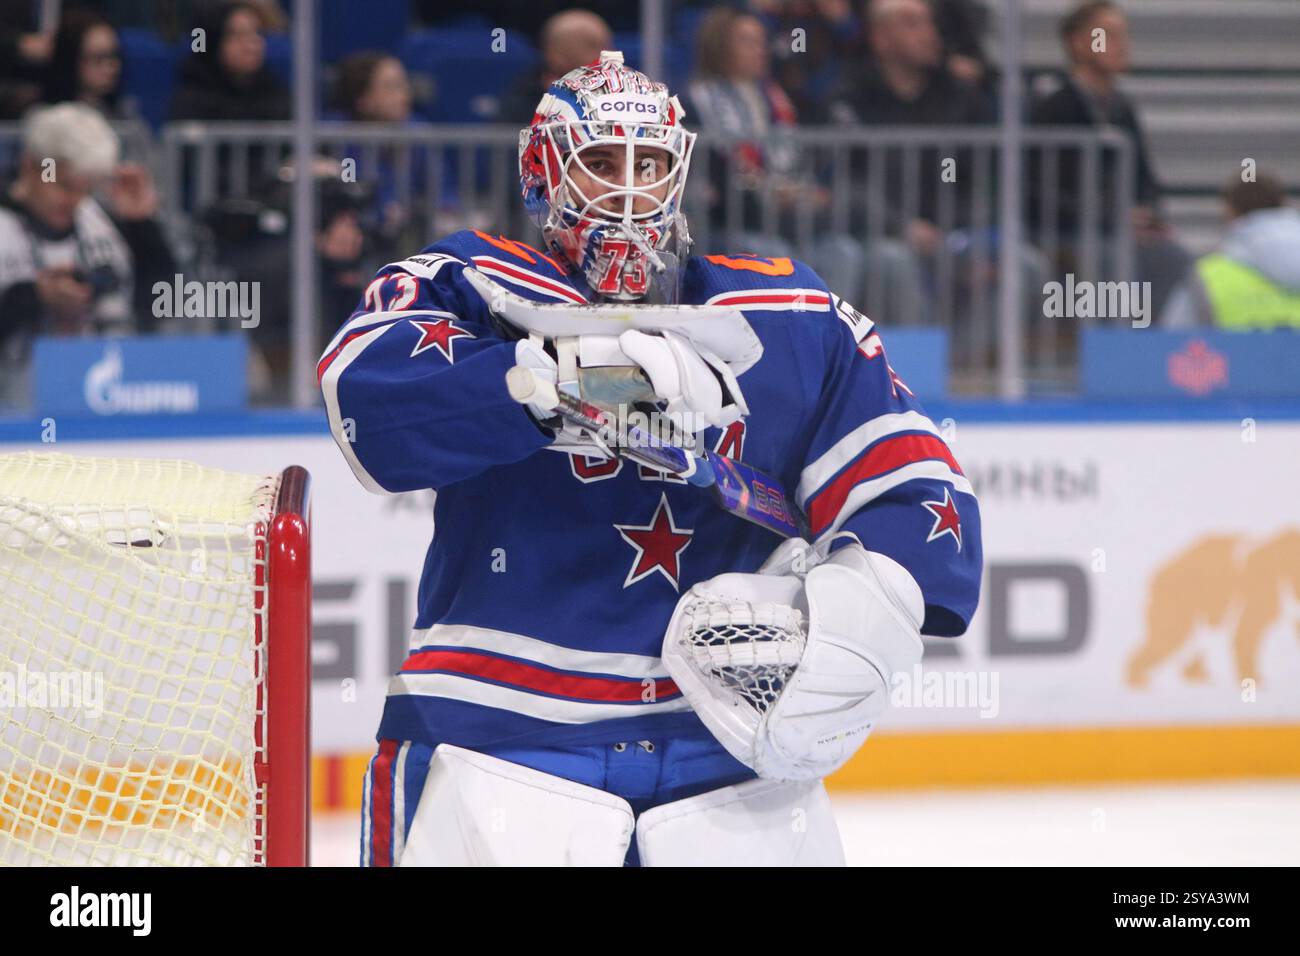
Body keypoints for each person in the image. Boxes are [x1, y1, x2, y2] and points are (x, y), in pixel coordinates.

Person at [321, 50, 982, 866]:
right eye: (600, 162)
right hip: (502, 733)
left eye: (651, 163)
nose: (629, 190)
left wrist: (865, 606)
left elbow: (920, 491)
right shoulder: (476, 284)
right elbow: (368, 403)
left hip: (725, 748)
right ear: (543, 174)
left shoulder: (793, 316)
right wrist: (555, 383)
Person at [0, 103, 176, 408]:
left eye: (86, 189)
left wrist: (141, 227)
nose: (75, 201)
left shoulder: (100, 220)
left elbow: (163, 302)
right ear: (31, 166)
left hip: (107, 400)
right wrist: (33, 297)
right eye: (64, 185)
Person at [1030, 0, 1190, 319]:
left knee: (1174, 257)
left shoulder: (1122, 108)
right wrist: (1110, 216)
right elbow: (1040, 190)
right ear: (1077, 42)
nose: (1122, 45)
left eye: (1124, 36)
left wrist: (1149, 215)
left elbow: (1145, 178)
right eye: (1110, 35)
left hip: (1118, 230)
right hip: (1070, 231)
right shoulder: (1053, 108)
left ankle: (1152, 349)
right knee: (1111, 259)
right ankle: (1107, 353)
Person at [1162, 175, 1300, 330]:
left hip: (1234, 354)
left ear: (1230, 210)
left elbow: (1174, 338)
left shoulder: (1207, 274)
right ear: (1283, 203)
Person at [499, 8, 612, 125]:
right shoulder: (523, 98)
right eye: (592, 45)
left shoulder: (622, 89)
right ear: (555, 54)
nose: (606, 52)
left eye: (607, 45)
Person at [41, 10, 135, 122]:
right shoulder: (50, 119)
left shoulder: (127, 118)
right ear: (72, 59)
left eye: (114, 56)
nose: (111, 67)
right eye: (98, 58)